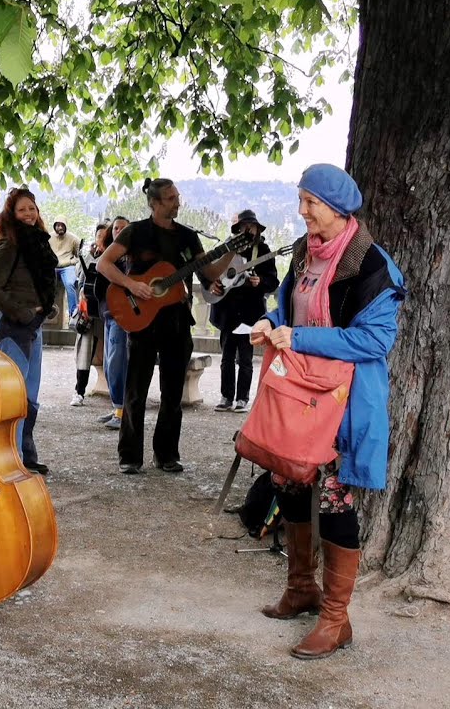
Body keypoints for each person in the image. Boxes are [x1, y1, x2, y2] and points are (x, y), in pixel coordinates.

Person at [251, 163, 405, 660]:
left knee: (335, 503)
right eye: (301, 200)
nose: (301, 211)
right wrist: (269, 322)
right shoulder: (303, 252)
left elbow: (376, 340)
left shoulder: (372, 266)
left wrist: (300, 337)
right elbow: (287, 309)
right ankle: (301, 588)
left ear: (337, 209)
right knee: (291, 481)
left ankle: (336, 620)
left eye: (310, 203)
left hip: (342, 403)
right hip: (298, 394)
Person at [96, 179, 235, 474]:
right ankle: (130, 457)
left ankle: (167, 454)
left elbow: (208, 271)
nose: (177, 202)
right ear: (155, 203)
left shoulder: (187, 237)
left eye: (177, 197)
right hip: (142, 319)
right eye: (171, 198)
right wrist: (133, 285)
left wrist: (232, 250)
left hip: (176, 319)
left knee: (173, 393)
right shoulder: (136, 232)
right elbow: (104, 264)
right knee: (136, 390)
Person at [0, 187, 59, 475]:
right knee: (13, 395)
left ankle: (25, 455)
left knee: (30, 395)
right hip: (13, 326)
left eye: (32, 208)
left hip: (32, 326)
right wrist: (24, 312)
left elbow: (41, 285)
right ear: (11, 214)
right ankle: (8, 460)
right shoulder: (9, 244)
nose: (28, 213)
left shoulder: (39, 243)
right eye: (22, 209)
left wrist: (43, 308)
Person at [210, 210, 280, 412]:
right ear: (238, 229)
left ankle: (242, 398)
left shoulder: (264, 250)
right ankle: (226, 397)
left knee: (246, 359)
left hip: (250, 313)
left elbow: (273, 280)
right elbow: (211, 272)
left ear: (257, 230)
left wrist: (261, 282)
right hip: (227, 311)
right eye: (244, 227)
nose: (248, 231)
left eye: (252, 228)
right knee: (226, 357)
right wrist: (214, 284)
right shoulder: (225, 249)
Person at [71, 221, 109, 407]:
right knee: (84, 350)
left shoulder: (115, 257)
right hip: (88, 309)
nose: (101, 240)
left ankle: (117, 395)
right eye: (99, 236)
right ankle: (79, 391)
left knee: (113, 351)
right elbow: (79, 278)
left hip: (108, 311)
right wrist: (89, 255)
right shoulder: (88, 257)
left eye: (105, 237)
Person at [98, 216, 131, 430]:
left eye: (123, 228)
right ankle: (116, 407)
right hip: (107, 315)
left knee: (117, 363)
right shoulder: (107, 254)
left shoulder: (130, 258)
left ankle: (121, 411)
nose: (118, 231)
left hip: (121, 315)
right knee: (108, 365)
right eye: (116, 228)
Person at [49, 220, 81, 319]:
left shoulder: (73, 238)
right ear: (54, 227)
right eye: (58, 225)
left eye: (62, 225)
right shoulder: (49, 238)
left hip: (67, 266)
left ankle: (73, 313)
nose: (60, 228)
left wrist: (73, 261)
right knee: (46, 284)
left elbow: (80, 254)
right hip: (53, 266)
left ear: (65, 226)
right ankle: (49, 309)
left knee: (69, 284)